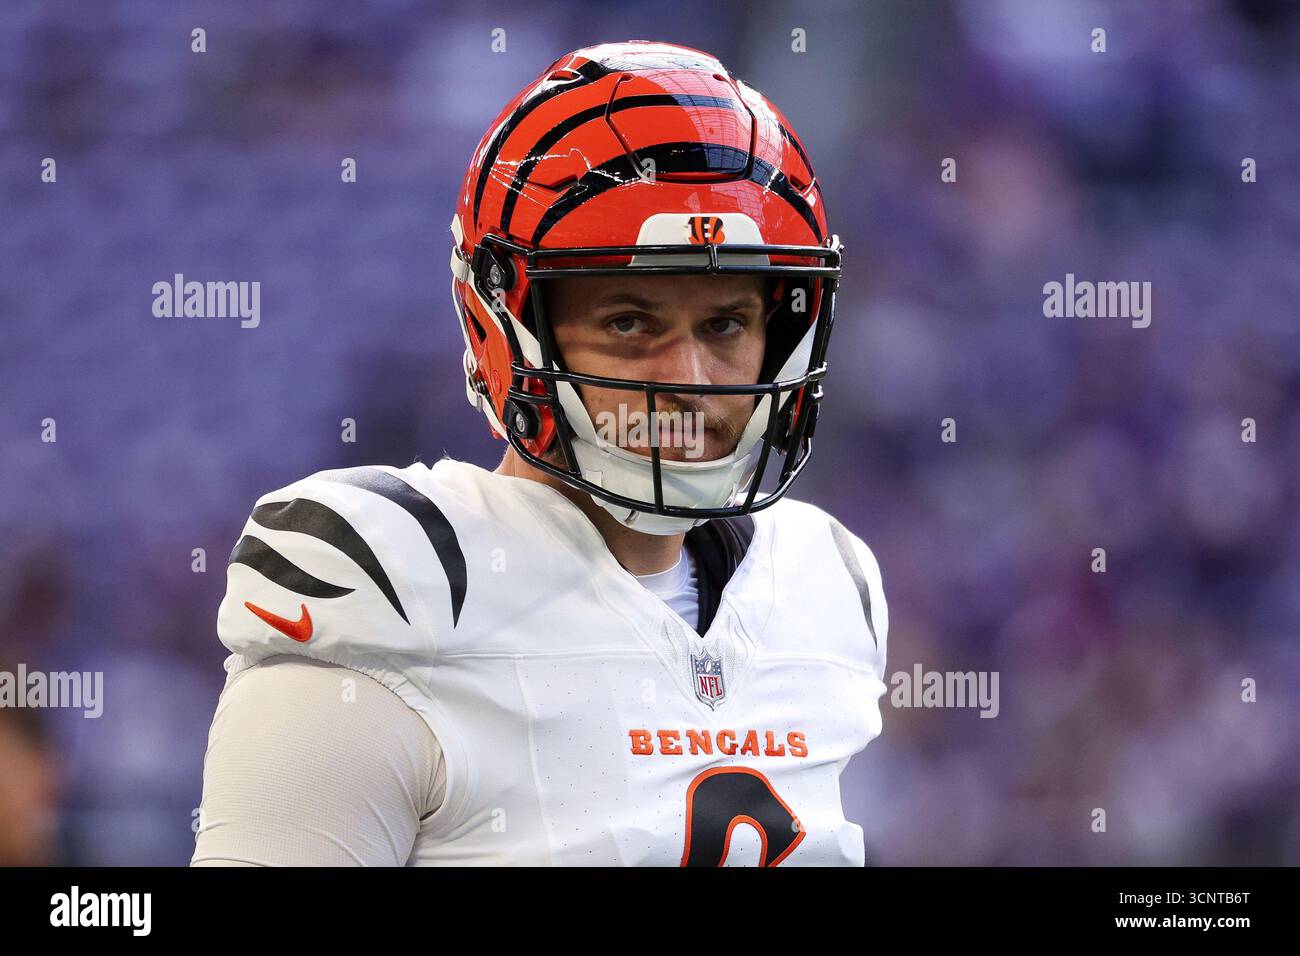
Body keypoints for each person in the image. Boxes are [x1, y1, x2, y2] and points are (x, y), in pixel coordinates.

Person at [191, 40, 887, 867]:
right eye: (630, 322)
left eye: (725, 324)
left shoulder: (824, 586)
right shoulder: (403, 586)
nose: (690, 381)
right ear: (503, 325)